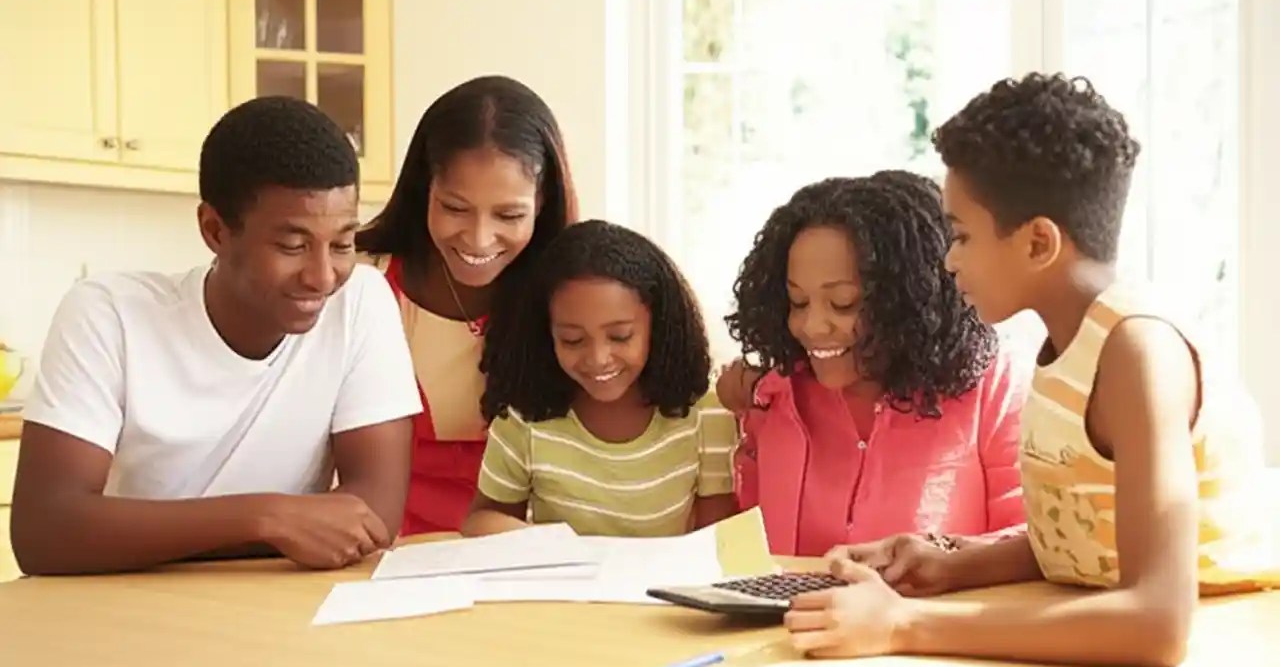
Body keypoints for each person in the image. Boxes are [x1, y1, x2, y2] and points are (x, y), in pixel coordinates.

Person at [787, 73, 1280, 667]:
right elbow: (1094, 537)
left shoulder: (1139, 354)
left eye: (962, 236)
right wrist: (952, 561)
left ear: (1038, 243)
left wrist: (907, 625)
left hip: (1220, 666)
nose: (949, 260)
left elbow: (1159, 622)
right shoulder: (1070, 346)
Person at [11, 96, 422, 575]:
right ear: (214, 230)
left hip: (277, 605)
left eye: (343, 244)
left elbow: (374, 515)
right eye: (292, 246)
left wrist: (146, 536)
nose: (323, 276)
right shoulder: (109, 315)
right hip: (128, 604)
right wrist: (267, 518)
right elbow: (44, 531)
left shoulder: (360, 303)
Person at [719, 171, 1028, 558]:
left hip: (938, 618)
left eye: (843, 303)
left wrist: (944, 560)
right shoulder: (774, 394)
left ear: (910, 301)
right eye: (798, 303)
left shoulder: (992, 389)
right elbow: (747, 552)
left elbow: (1031, 543)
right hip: (785, 619)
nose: (812, 326)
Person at [357, 75, 579, 535]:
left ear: (543, 203)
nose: (479, 239)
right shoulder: (359, 283)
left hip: (532, 557)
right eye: (455, 208)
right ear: (425, 190)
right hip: (383, 556)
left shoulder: (575, 292)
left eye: (509, 215)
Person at [461, 220, 739, 537]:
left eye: (620, 337)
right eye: (572, 340)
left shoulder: (706, 411)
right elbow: (482, 520)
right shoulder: (524, 417)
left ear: (658, 327)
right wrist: (549, 546)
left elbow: (716, 543)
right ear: (545, 334)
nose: (597, 359)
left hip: (662, 586)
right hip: (560, 585)